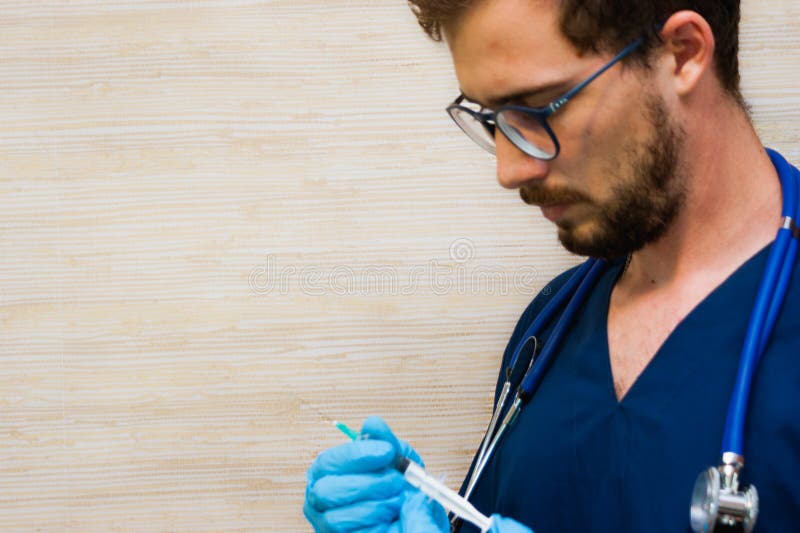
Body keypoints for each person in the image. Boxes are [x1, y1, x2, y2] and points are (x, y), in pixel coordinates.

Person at [304, 0, 800, 531]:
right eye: (493, 119)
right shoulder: (549, 327)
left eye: (540, 109)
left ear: (681, 54)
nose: (509, 170)